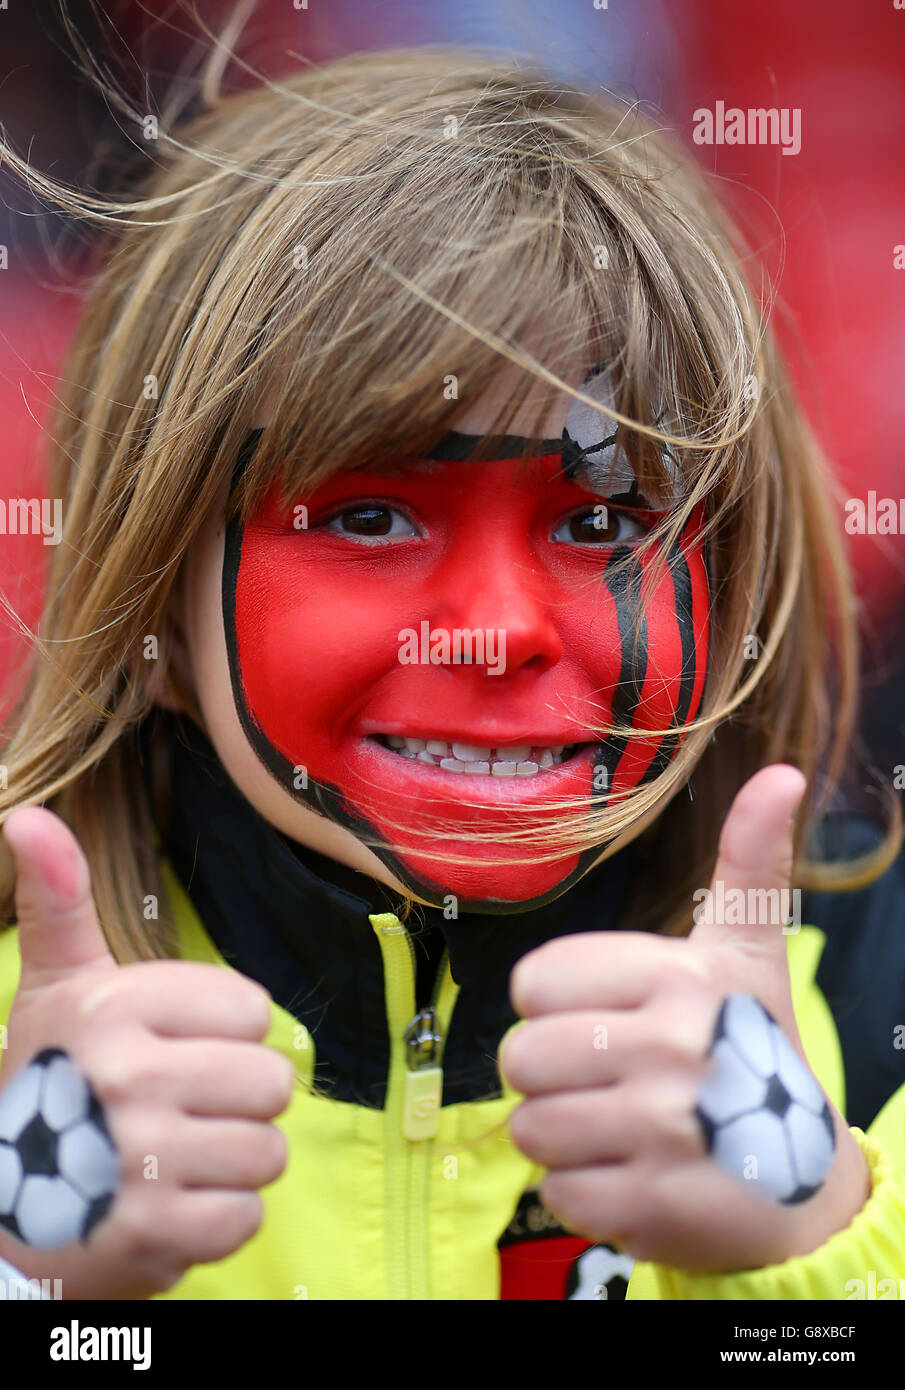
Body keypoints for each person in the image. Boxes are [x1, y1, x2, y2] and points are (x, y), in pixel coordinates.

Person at [0, 46, 902, 1301]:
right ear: (149, 608)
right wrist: (37, 1284)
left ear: (740, 589)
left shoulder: (876, 1006)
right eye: (368, 518)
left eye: (601, 525)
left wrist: (801, 1254)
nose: (489, 633)